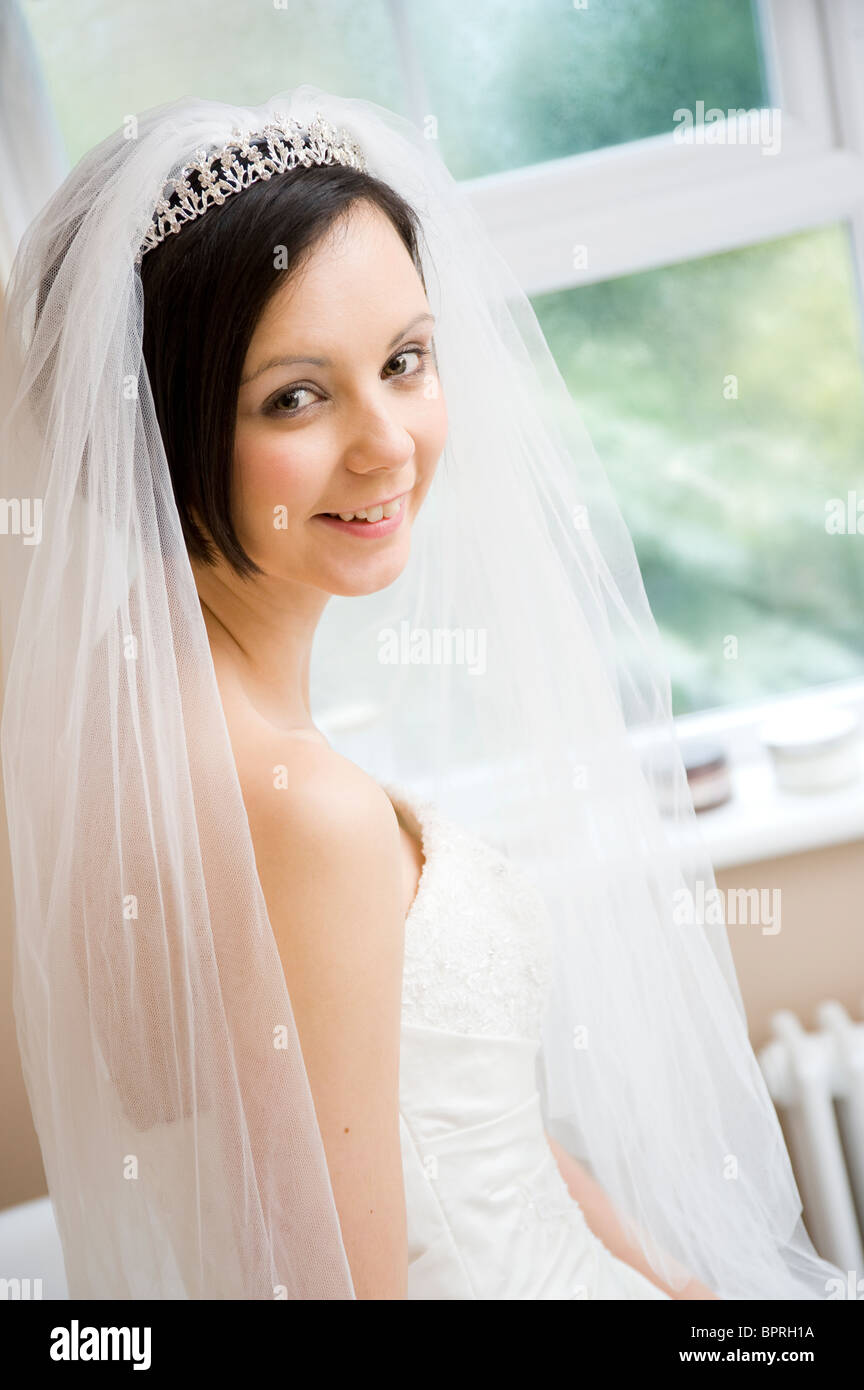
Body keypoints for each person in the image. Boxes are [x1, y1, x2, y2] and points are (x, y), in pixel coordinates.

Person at [0, 87, 843, 1300]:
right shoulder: (302, 816)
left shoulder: (140, 747)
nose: (388, 441)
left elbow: (453, 1127)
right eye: (296, 394)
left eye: (405, 360)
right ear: (169, 430)